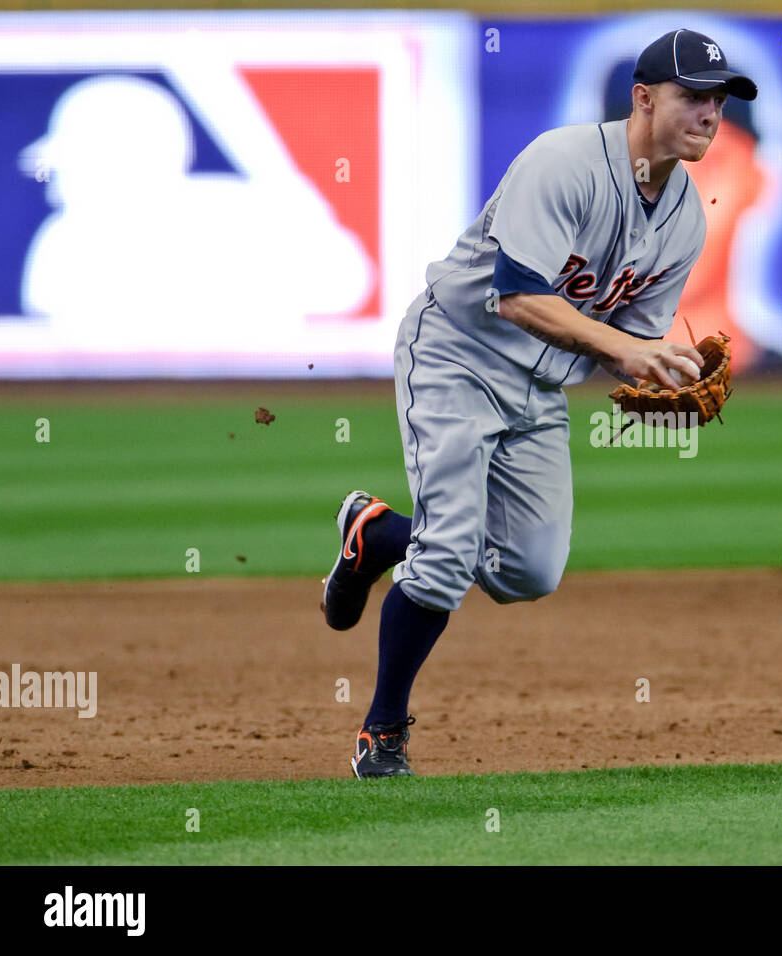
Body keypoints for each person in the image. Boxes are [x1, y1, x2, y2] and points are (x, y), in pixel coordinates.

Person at [321, 29, 757, 777]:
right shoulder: (563, 163)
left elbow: (624, 338)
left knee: (530, 572)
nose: (709, 114)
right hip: (456, 352)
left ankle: (378, 534)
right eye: (693, 96)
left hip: (538, 386)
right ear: (644, 98)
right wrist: (625, 351)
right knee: (452, 553)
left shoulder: (685, 216)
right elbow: (519, 296)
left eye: (718, 101)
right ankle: (381, 733)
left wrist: (665, 374)